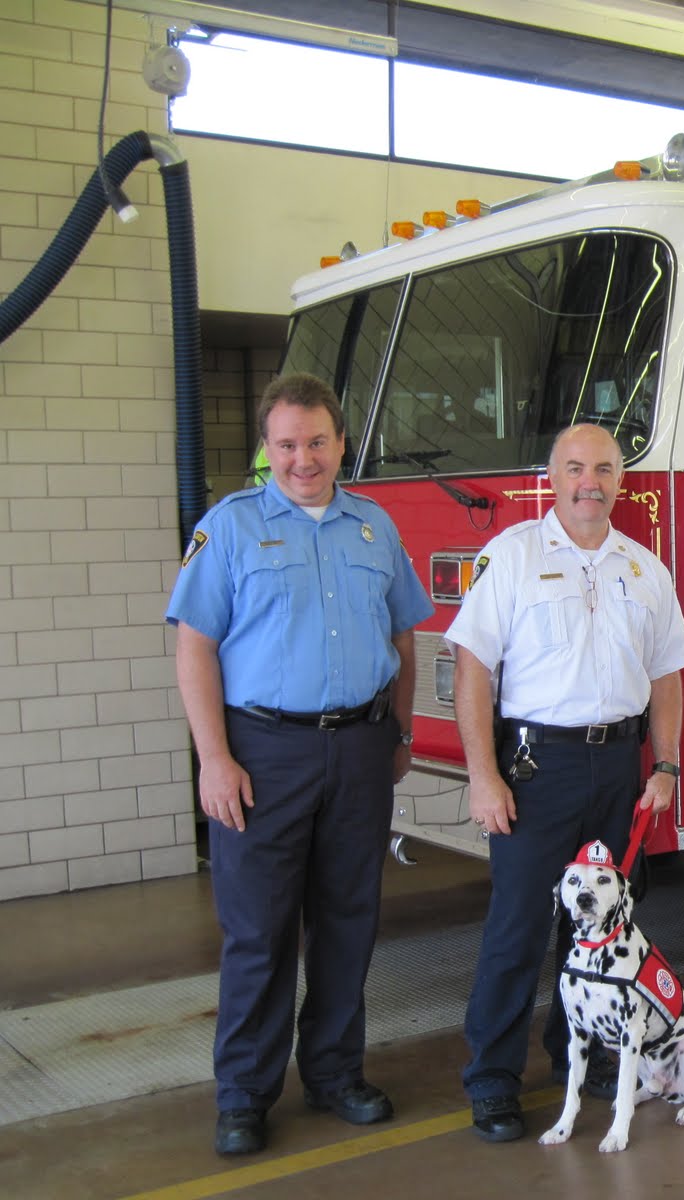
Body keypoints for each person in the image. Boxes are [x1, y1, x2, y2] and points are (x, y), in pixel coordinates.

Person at [167, 372, 434, 1156]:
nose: (302, 459)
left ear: (340, 441)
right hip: (262, 753)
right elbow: (195, 648)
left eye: (316, 441)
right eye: (286, 444)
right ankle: (245, 1095)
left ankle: (334, 1074)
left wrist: (400, 733)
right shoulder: (232, 528)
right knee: (259, 930)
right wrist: (213, 758)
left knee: (349, 921)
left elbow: (405, 637)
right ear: (267, 447)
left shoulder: (373, 528)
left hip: (358, 747)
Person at [446, 423, 684, 1144]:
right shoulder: (512, 556)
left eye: (606, 468)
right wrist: (483, 776)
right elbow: (471, 672)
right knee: (518, 927)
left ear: (622, 479)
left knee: (599, 927)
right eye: (576, 467)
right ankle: (491, 1079)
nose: (592, 480)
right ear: (552, 477)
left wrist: (665, 764)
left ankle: (570, 1056)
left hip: (618, 768)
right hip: (534, 769)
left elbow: (667, 675)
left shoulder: (645, 569)